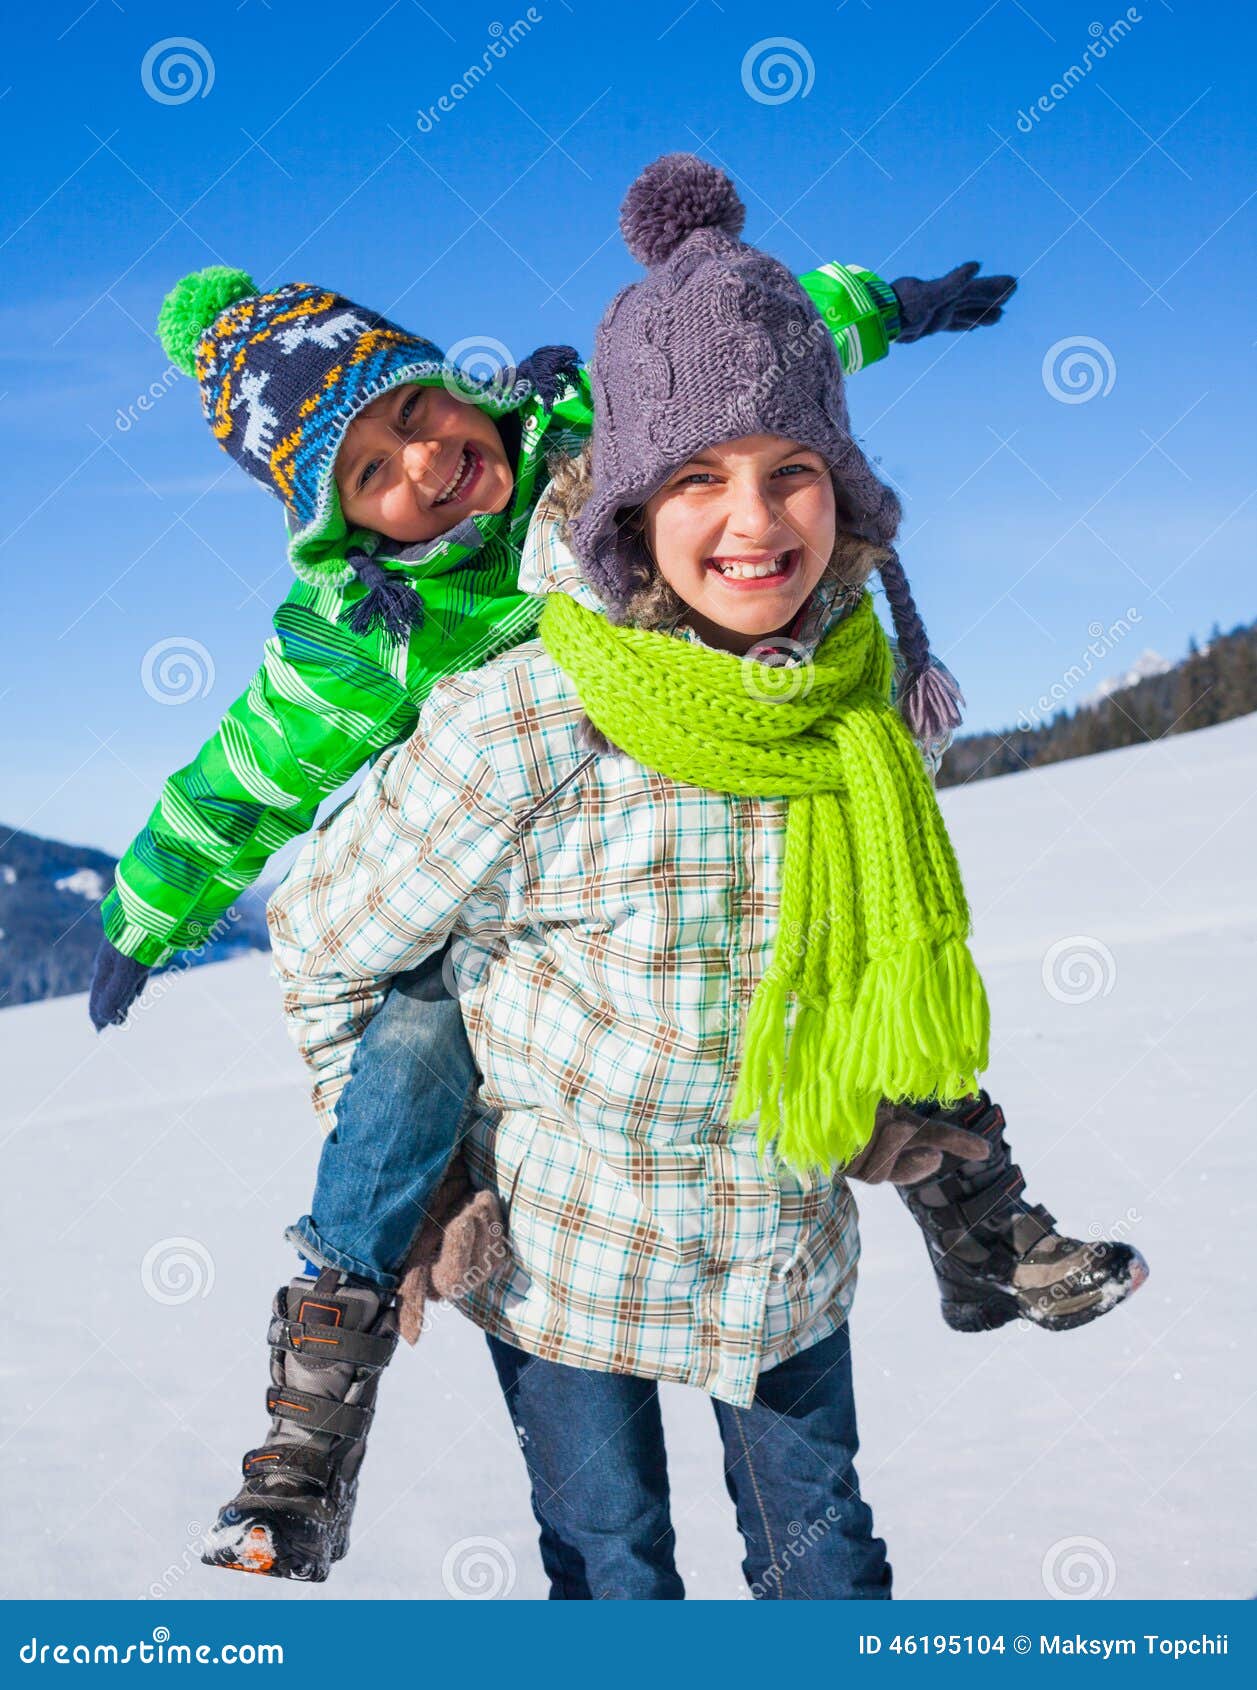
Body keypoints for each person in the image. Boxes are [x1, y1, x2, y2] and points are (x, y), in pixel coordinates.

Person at [261, 155, 1145, 1598]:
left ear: (842, 495)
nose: (754, 520)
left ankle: (989, 1224)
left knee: (826, 1566)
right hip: (564, 1257)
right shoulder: (527, 712)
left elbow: (851, 962)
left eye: (792, 471)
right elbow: (322, 936)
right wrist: (399, 1170)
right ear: (627, 509)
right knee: (614, 1572)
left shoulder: (860, 710)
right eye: (695, 478)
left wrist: (881, 1105)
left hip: (778, 1249)